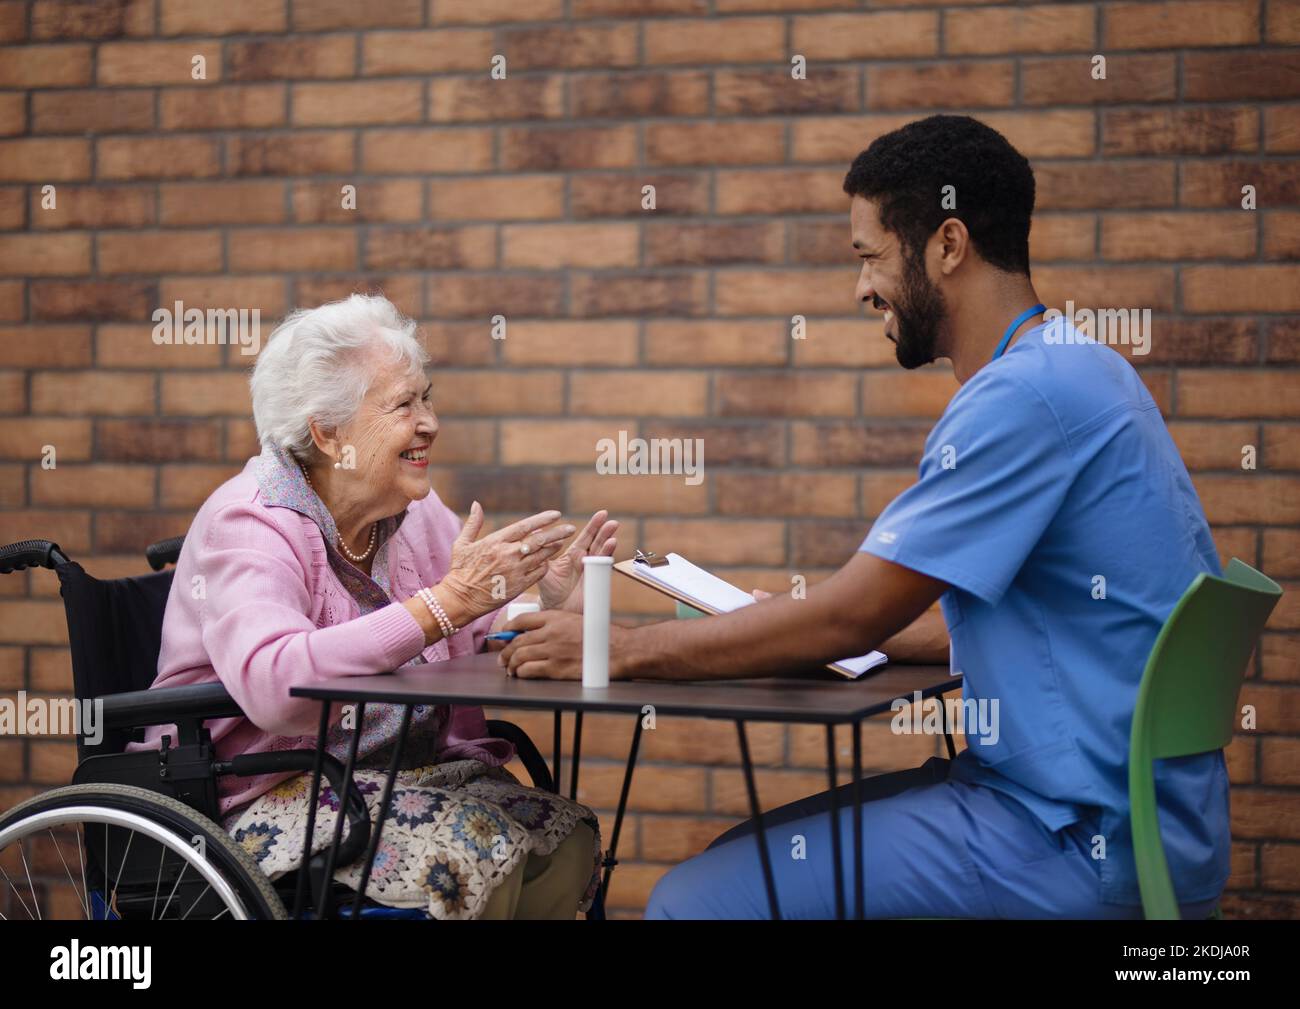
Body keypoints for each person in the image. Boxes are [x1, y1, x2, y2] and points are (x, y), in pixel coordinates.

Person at [499, 115, 1228, 919]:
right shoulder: (1086, 368)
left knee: (692, 903)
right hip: (1145, 827)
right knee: (733, 865)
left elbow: (855, 613)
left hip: (1073, 837)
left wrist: (619, 647)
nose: (861, 289)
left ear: (947, 245)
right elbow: (967, 621)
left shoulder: (1021, 398)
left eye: (870, 255)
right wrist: (775, 622)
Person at [129, 293, 618, 919]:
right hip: (264, 791)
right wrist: (442, 605)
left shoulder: (409, 512)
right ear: (328, 433)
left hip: (401, 776)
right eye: (404, 405)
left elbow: (468, 627)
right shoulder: (250, 521)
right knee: (480, 851)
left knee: (566, 835)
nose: (430, 423)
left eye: (428, 397)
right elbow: (278, 685)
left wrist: (540, 598)